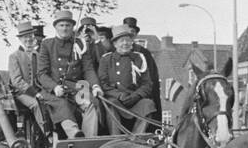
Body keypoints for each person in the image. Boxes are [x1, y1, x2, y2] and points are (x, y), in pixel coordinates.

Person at [36, 10, 96, 139]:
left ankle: (89, 139)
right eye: (61, 25)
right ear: (55, 27)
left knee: (90, 102)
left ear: (72, 27)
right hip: (54, 89)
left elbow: (88, 69)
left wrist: (96, 86)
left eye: (68, 25)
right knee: (62, 105)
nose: (65, 28)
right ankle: (75, 135)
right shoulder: (47, 44)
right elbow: (42, 74)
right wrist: (54, 87)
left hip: (78, 87)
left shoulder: (80, 45)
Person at [97, 23, 162, 135]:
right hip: (116, 100)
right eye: (121, 41)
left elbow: (147, 84)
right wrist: (119, 95)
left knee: (148, 104)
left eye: (128, 40)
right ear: (115, 44)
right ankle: (115, 138)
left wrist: (136, 95)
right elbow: (103, 84)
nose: (125, 43)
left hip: (134, 100)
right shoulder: (106, 59)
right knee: (111, 104)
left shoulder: (139, 58)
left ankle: (137, 136)